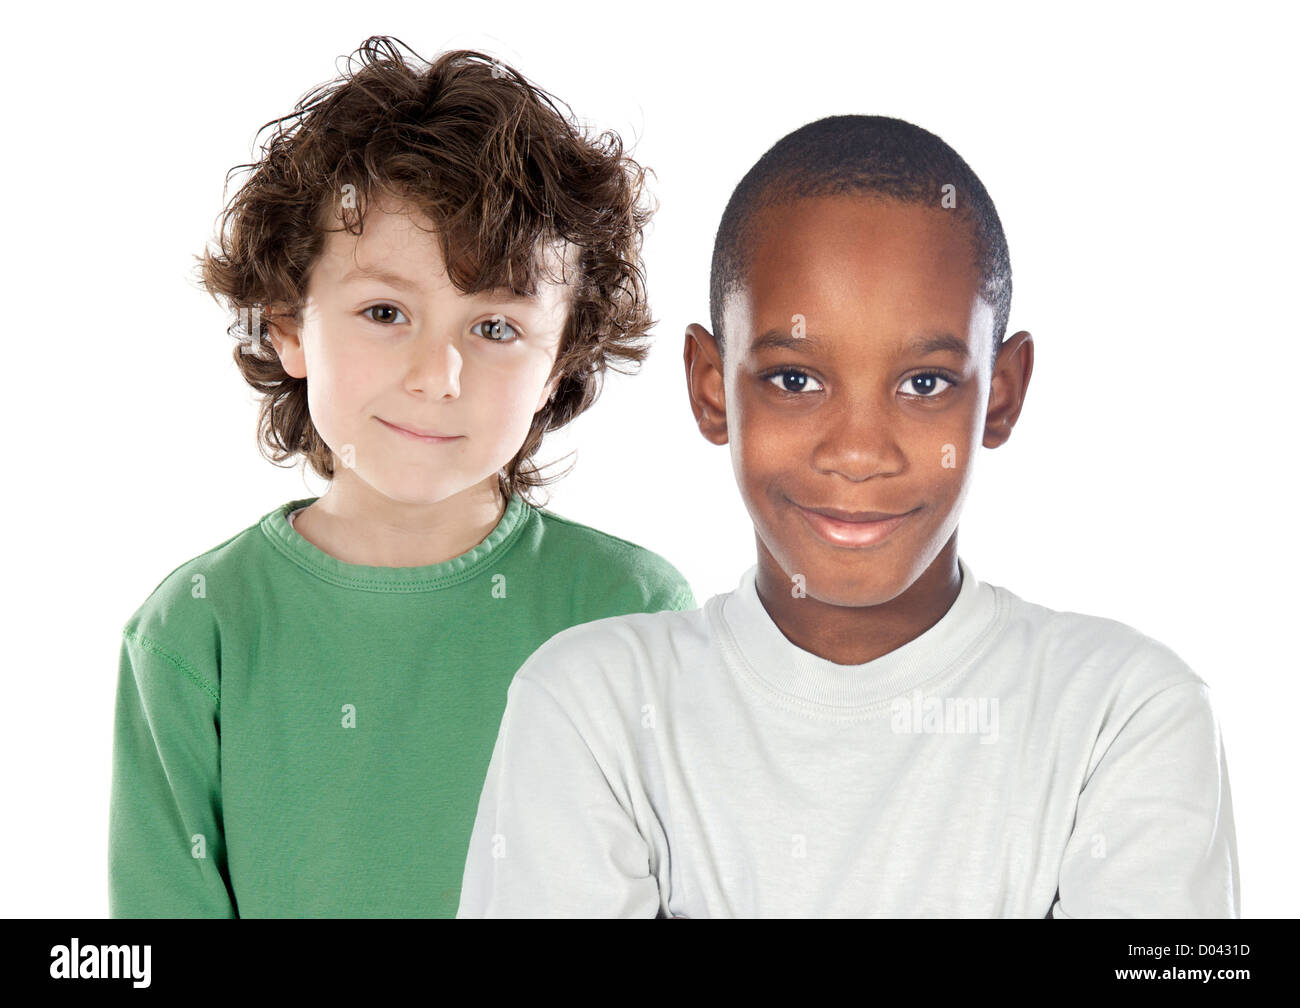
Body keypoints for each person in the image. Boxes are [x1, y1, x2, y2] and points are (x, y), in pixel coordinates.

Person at [457, 114, 1239, 918]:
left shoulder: (1125, 715)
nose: (859, 452)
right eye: (795, 380)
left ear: (1001, 394)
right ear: (710, 386)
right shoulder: (592, 706)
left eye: (925, 383)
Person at [109, 36, 694, 918]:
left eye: (495, 327)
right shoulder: (196, 632)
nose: (439, 374)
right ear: (288, 328)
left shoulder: (630, 612)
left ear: (560, 360)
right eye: (385, 312)